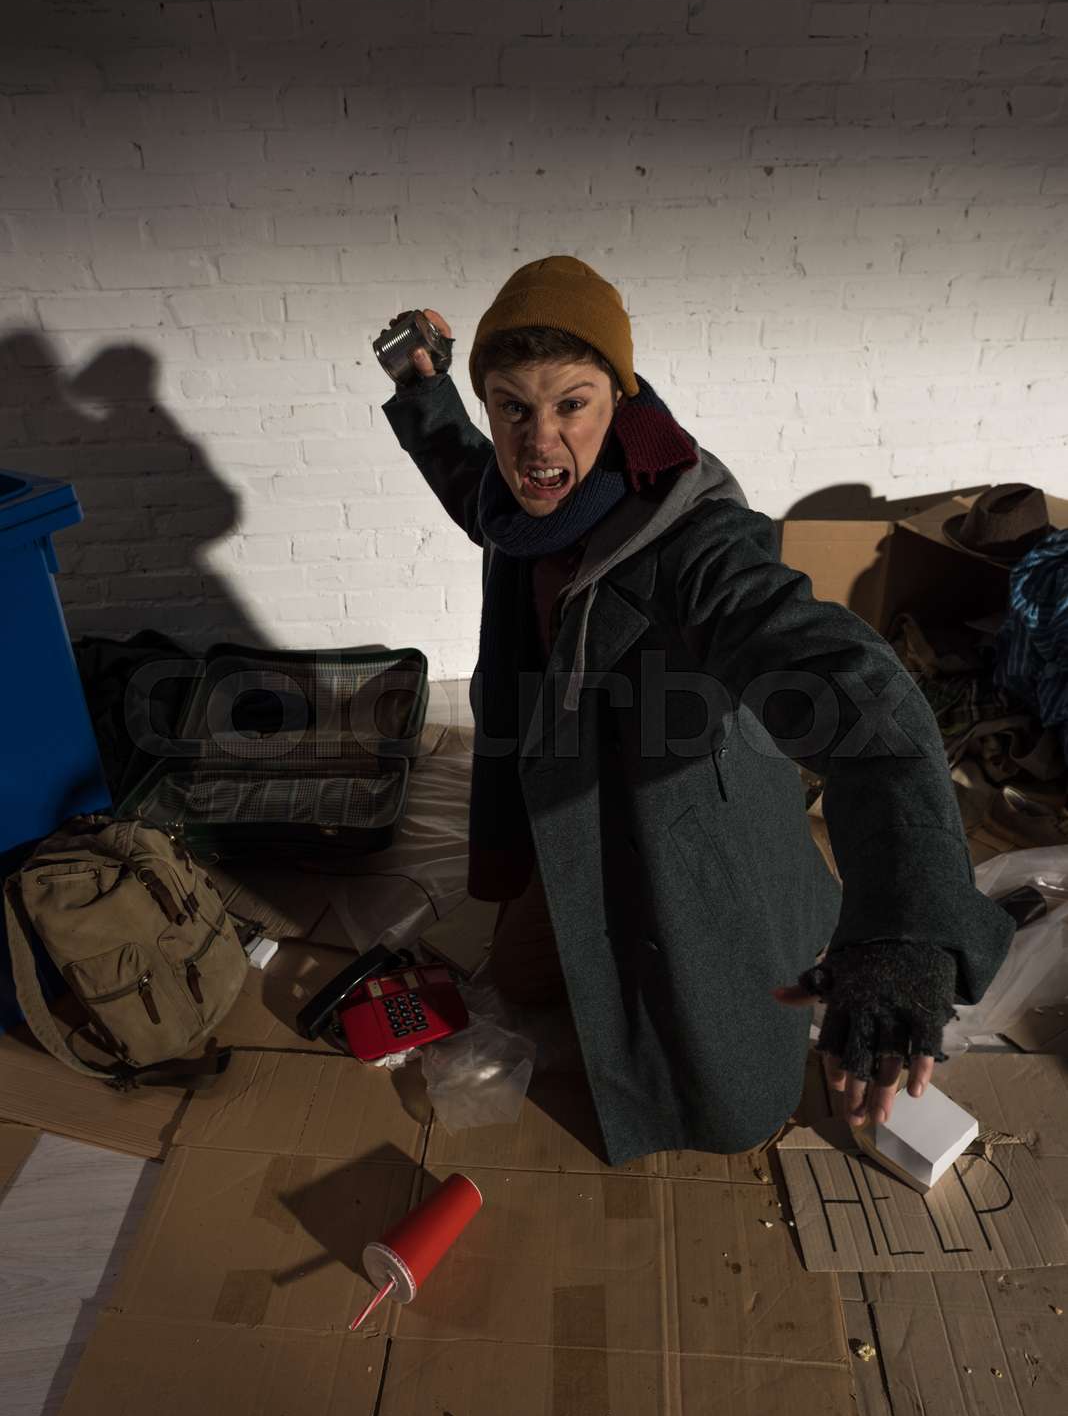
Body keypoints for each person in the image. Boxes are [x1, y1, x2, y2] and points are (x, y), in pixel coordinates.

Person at [381, 255, 1014, 1168]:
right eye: (511, 406)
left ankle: (786, 946)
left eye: (572, 403)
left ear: (621, 400)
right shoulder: (520, 509)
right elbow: (467, 476)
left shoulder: (693, 538)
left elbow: (858, 694)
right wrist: (422, 388)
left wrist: (905, 930)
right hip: (568, 794)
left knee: (727, 1105)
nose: (537, 442)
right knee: (523, 976)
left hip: (679, 826)